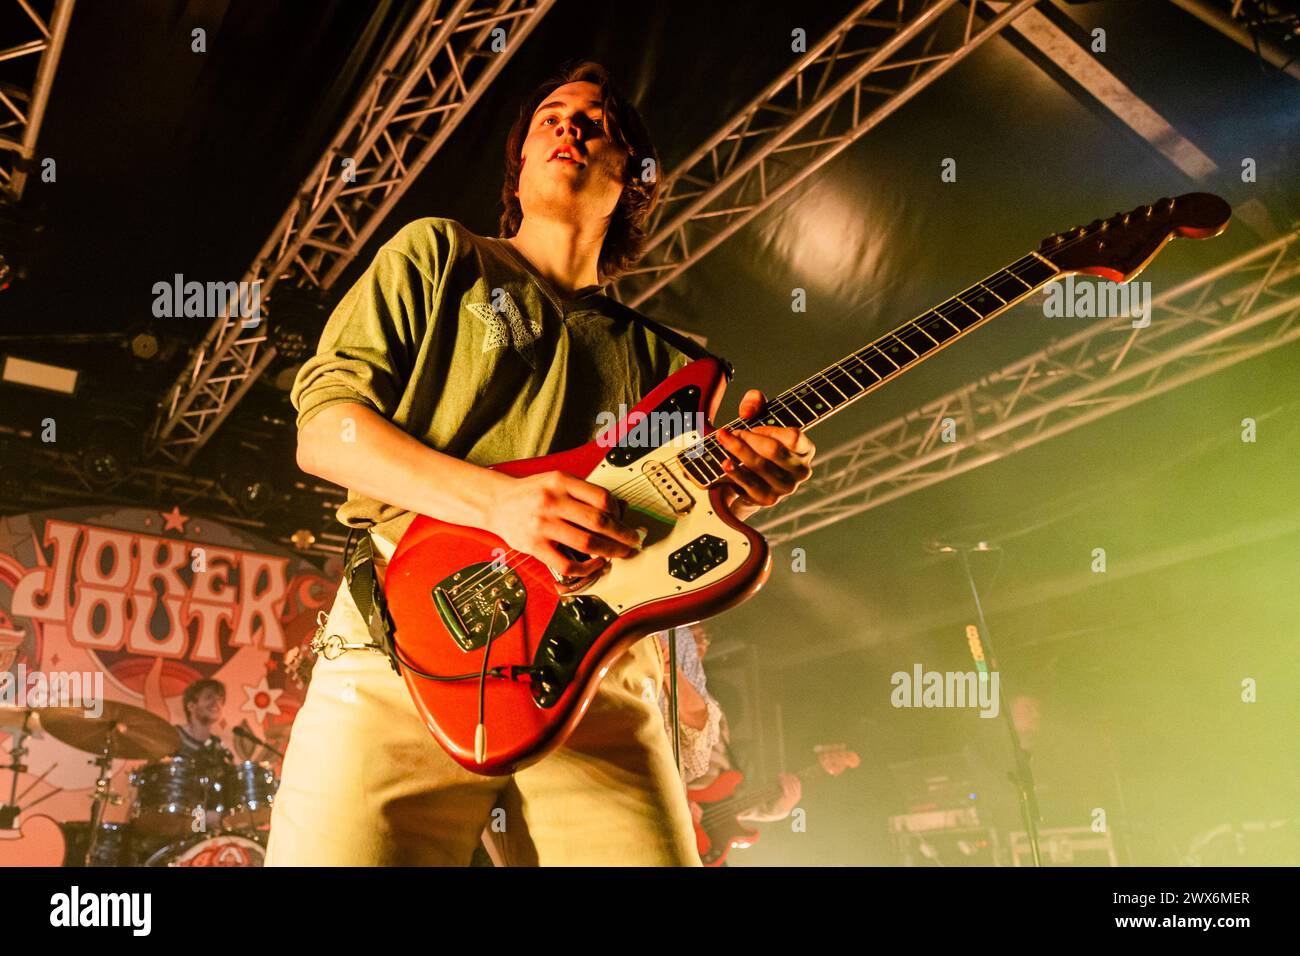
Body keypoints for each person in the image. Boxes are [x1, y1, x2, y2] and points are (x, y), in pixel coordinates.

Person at [265, 59, 815, 867]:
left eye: (597, 121)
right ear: (517, 167)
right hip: (404, 648)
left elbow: (668, 529)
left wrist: (746, 486)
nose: (570, 126)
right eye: (549, 117)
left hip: (600, 677)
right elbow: (326, 433)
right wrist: (500, 506)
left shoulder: (670, 360)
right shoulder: (440, 255)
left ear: (633, 179)